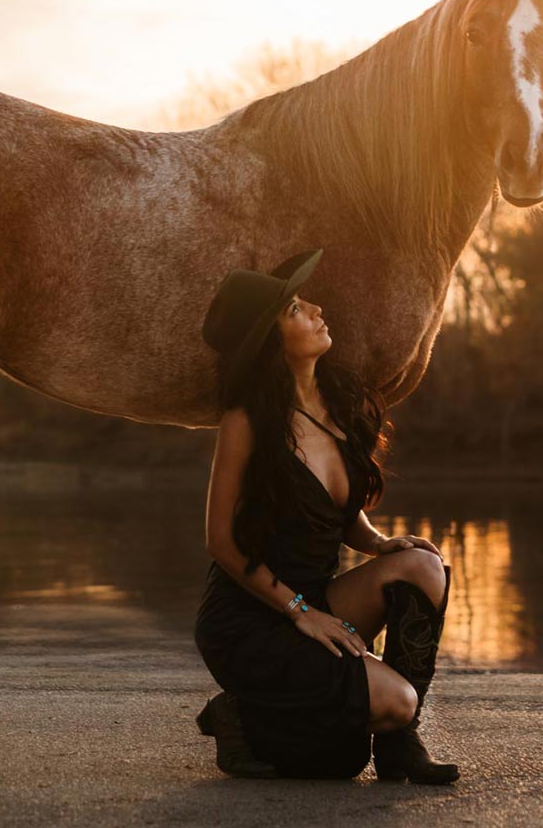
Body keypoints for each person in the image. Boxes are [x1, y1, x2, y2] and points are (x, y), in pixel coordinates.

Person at [191, 248, 460, 783]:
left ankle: (399, 747)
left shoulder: (337, 402)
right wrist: (298, 611)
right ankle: (238, 713)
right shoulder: (247, 421)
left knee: (424, 566)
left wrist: (378, 543)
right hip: (251, 619)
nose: (314, 309)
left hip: (314, 597)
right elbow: (220, 540)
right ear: (272, 340)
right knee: (344, 754)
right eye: (294, 310)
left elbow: (337, 510)